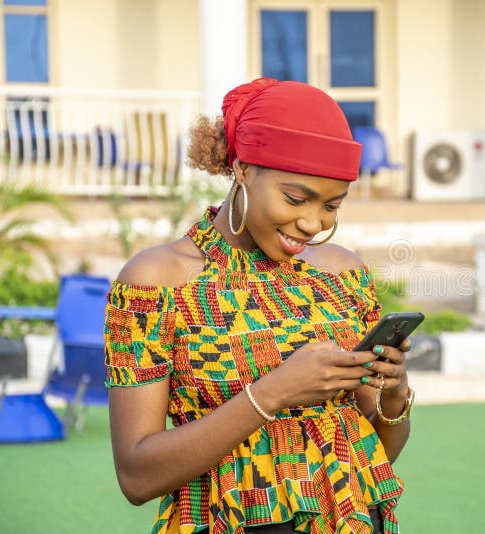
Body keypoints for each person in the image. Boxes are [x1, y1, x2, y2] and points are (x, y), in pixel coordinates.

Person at [103, 77, 414, 534]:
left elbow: (376, 453)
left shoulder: (342, 275)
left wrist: (394, 393)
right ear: (243, 168)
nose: (312, 223)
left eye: (332, 205)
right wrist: (274, 392)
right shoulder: (156, 284)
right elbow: (136, 475)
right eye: (296, 198)